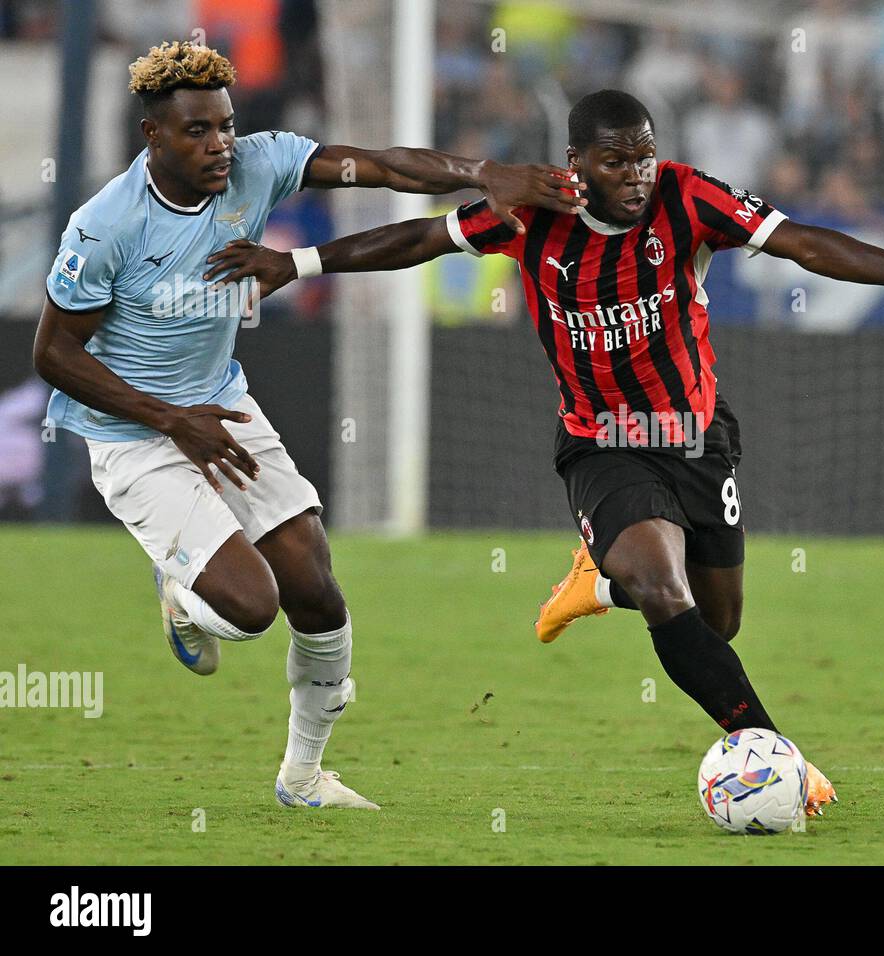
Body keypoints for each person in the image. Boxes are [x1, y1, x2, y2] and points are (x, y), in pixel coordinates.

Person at [206, 89, 884, 816]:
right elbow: (420, 239)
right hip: (602, 446)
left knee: (718, 620)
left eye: (645, 154)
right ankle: (778, 755)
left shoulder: (689, 198)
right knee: (663, 587)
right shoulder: (535, 215)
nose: (636, 172)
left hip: (697, 436)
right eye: (617, 158)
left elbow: (802, 242)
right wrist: (297, 262)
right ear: (578, 164)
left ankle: (597, 580)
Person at [32, 41, 586, 811]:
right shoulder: (107, 227)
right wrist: (169, 420)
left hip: (222, 407)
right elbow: (52, 352)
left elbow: (385, 166)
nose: (220, 144)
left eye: (225, 125)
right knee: (250, 609)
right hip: (135, 435)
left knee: (317, 591)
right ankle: (180, 590)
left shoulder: (261, 163)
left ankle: (303, 777)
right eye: (197, 131)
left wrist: (479, 173)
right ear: (152, 136)